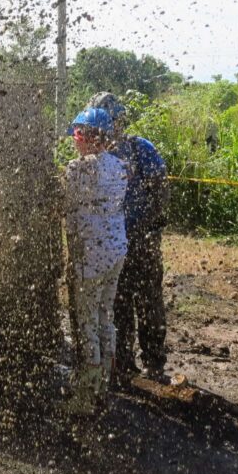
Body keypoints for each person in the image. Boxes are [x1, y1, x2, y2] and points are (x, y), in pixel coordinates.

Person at [87, 92, 170, 384]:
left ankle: (154, 362)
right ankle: (122, 362)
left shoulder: (140, 149)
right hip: (112, 242)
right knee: (118, 304)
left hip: (143, 238)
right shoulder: (95, 155)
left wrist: (148, 227)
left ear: (119, 121)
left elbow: (160, 190)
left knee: (148, 302)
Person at [63, 107, 129, 416]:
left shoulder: (77, 169)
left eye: (77, 134)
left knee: (87, 320)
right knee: (106, 315)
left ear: (90, 137)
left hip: (91, 255)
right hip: (115, 252)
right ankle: (104, 385)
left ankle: (86, 398)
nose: (75, 140)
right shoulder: (119, 166)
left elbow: (64, 204)